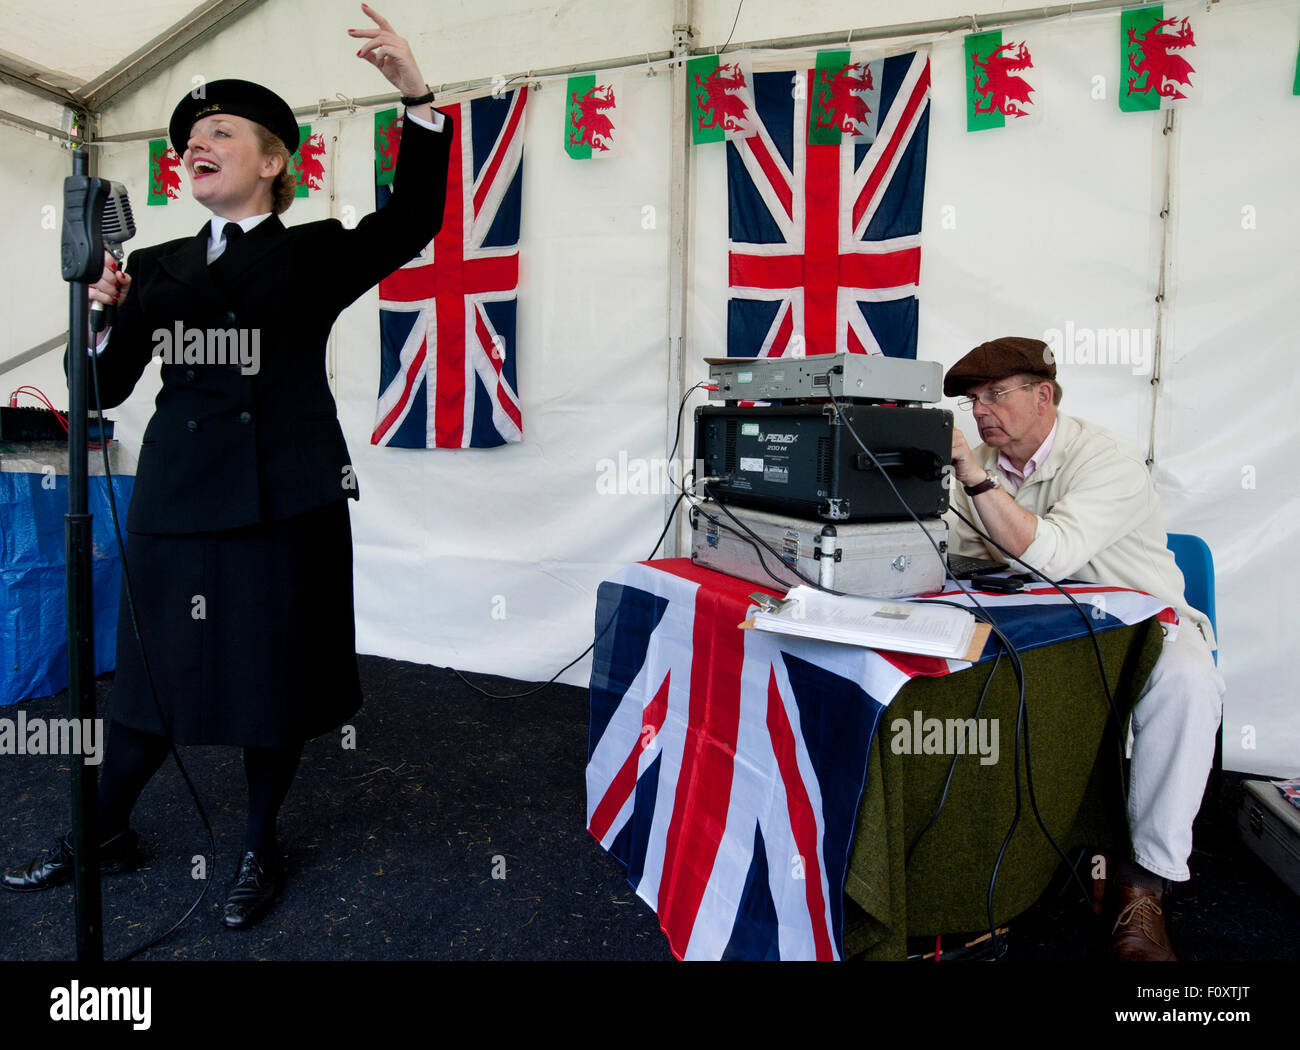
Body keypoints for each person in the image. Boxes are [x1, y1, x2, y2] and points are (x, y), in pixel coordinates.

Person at [2, 4, 452, 931]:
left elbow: (412, 219)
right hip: (176, 501)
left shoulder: (317, 253)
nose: (194, 147)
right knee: (149, 678)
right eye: (187, 140)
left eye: (219, 133)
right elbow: (104, 389)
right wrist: (98, 311)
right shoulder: (155, 268)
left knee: (269, 684)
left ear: (274, 159)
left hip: (284, 499)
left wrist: (416, 98)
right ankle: (103, 833)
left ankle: (258, 843)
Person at [942, 335, 1225, 962]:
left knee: (1186, 683)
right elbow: (949, 552)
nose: (981, 410)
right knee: (952, 677)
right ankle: (982, 878)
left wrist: (975, 477)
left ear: (1043, 395)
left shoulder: (1107, 460)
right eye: (971, 400)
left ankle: (1141, 886)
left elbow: (1051, 553)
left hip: (1146, 624)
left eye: (994, 394)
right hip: (1046, 630)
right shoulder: (980, 464)